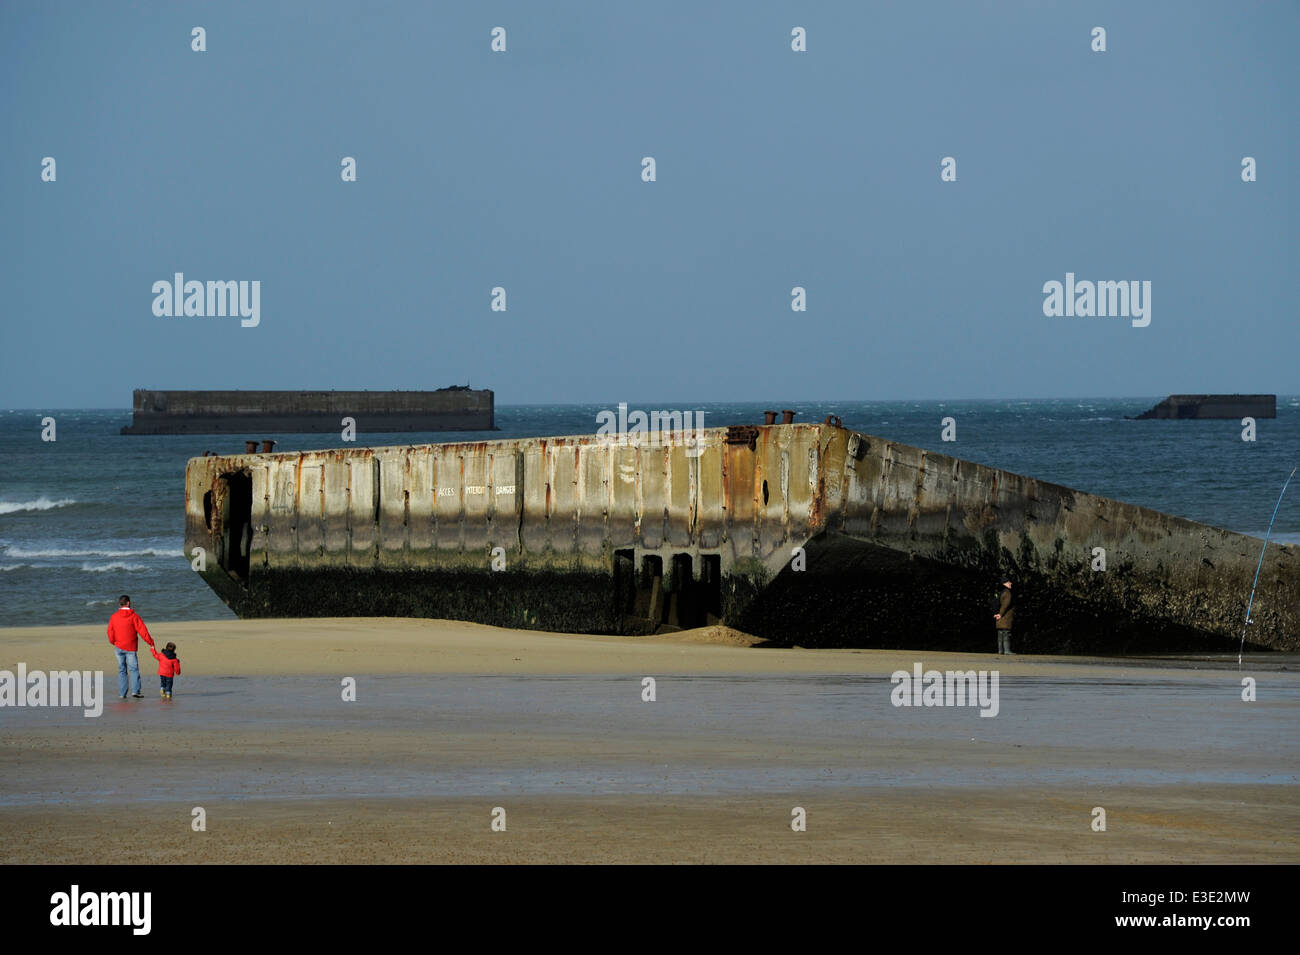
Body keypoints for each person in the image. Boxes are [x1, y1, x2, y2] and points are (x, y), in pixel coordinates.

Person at [106, 595, 156, 699]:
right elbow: (143, 631)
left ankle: (122, 693)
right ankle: (135, 691)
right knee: (133, 669)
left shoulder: (114, 616)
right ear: (128, 603)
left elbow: (110, 631)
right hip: (130, 647)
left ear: (121, 604)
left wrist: (113, 641)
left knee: (122, 669)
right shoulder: (134, 616)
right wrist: (150, 642)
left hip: (119, 646)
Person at [993, 579, 1015, 654]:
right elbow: (1006, 604)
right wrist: (1000, 614)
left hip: (998, 615)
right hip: (1005, 616)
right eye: (1009, 582)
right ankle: (1007, 650)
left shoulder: (1000, 592)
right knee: (1006, 632)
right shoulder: (1007, 592)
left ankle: (1000, 650)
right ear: (1005, 583)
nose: (1011, 583)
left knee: (1000, 632)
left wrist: (996, 613)